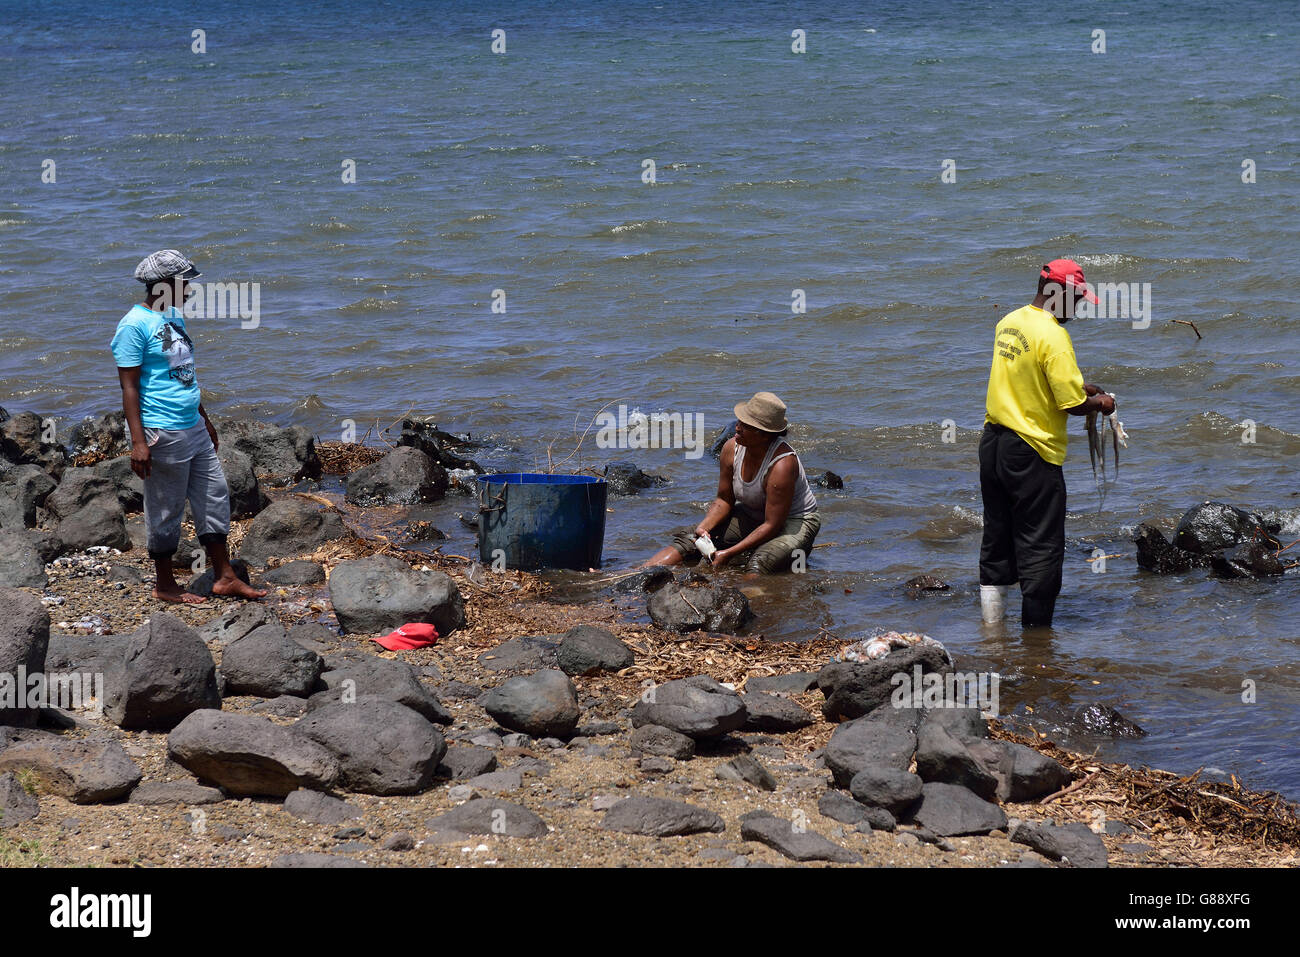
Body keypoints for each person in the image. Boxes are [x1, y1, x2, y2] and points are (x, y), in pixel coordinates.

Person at [111, 249, 265, 604]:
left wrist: (205, 419)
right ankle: (165, 584)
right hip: (161, 430)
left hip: (191, 425)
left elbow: (185, 374)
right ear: (164, 285)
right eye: (185, 283)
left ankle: (225, 576)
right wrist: (138, 442)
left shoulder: (175, 316)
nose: (191, 290)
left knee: (213, 496)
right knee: (165, 507)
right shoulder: (134, 325)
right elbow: (129, 387)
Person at [979, 259, 1116, 627]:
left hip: (993, 444)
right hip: (1032, 453)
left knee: (997, 538)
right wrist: (1100, 403)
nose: (1079, 306)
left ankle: (993, 637)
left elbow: (1028, 374)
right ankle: (1036, 640)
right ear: (1059, 293)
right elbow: (1071, 405)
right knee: (1040, 547)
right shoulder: (1055, 335)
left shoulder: (1008, 322)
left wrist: (1077, 386)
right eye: (1077, 298)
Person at [646, 391, 820, 576]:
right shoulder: (731, 448)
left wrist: (729, 553)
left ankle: (752, 598)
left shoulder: (782, 465)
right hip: (753, 514)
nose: (737, 428)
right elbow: (724, 500)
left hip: (793, 521)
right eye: (739, 422)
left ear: (764, 436)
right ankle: (639, 573)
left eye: (746, 426)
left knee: (759, 563)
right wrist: (704, 527)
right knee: (690, 540)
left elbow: (772, 525)